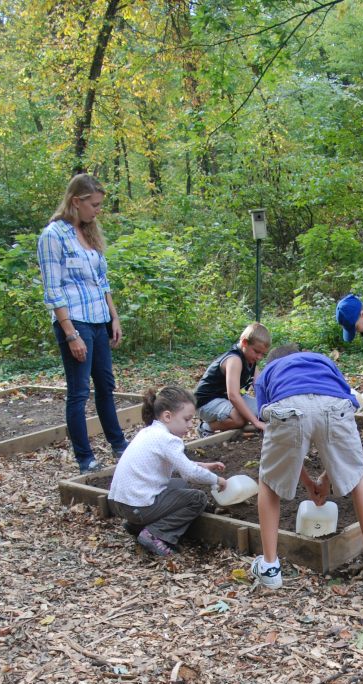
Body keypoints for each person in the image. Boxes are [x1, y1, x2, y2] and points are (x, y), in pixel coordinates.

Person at [250, 345, 363, 590]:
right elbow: (340, 405)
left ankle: (269, 567)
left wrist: (308, 481)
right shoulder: (321, 361)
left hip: (288, 407)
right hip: (334, 405)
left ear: (274, 360)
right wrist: (323, 479)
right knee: (358, 475)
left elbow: (277, 436)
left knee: (268, 480)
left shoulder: (268, 372)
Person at [37, 174, 129, 473]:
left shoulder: (89, 233)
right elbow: (53, 290)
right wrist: (71, 334)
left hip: (99, 319)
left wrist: (113, 316)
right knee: (79, 391)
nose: (97, 210)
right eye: (94, 204)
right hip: (74, 321)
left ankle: (119, 444)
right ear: (76, 201)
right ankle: (84, 458)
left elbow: (102, 281)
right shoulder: (53, 236)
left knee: (106, 385)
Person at [108, 385, 226, 558]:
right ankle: (155, 534)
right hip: (137, 507)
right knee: (197, 498)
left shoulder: (150, 431)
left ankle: (135, 525)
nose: (190, 425)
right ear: (167, 416)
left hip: (120, 503)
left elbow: (184, 467)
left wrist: (201, 465)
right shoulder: (169, 440)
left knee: (180, 485)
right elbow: (190, 473)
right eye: (187, 419)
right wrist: (217, 480)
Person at [193, 323, 272, 435]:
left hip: (227, 399)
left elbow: (260, 386)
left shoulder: (251, 360)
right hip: (207, 402)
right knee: (240, 419)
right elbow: (233, 396)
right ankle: (205, 427)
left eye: (263, 354)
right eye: (256, 352)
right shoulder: (234, 360)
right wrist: (256, 422)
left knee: (265, 412)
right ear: (244, 343)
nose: (259, 357)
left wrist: (271, 406)